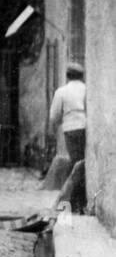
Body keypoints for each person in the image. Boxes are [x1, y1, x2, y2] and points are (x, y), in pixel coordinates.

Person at [47, 62, 86, 213]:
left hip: (70, 129)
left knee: (75, 162)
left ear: (67, 76)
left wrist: (57, 125)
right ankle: (78, 201)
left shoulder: (61, 91)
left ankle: (71, 201)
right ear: (81, 76)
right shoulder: (86, 89)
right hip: (85, 128)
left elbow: (54, 115)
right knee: (82, 163)